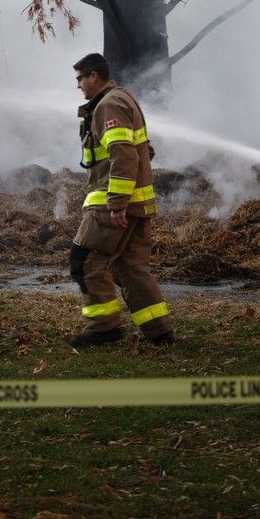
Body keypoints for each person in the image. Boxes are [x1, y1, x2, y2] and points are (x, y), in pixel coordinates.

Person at [67, 53, 174, 348]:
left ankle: (103, 326)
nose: (78, 85)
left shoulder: (109, 104)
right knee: (131, 268)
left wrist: (116, 203)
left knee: (84, 261)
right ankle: (159, 330)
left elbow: (124, 155)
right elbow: (144, 152)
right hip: (139, 203)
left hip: (114, 204)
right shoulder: (124, 100)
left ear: (94, 77)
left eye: (80, 78)